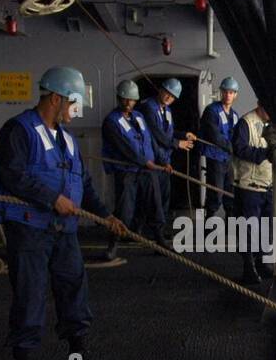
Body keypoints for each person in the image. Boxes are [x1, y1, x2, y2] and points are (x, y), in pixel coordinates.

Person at [0, 66, 125, 360]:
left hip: (64, 231)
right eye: (74, 103)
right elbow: (11, 175)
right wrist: (52, 198)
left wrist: (106, 215)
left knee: (74, 292)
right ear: (57, 97)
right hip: (29, 229)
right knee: (30, 295)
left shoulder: (67, 140)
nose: (75, 112)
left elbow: (84, 184)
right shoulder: (18, 131)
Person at [102, 79, 170, 259]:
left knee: (155, 205)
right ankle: (113, 245)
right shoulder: (111, 121)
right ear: (118, 98)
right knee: (124, 209)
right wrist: (145, 162)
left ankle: (159, 240)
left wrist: (163, 161)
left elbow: (151, 141)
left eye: (132, 100)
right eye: (125, 99)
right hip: (126, 172)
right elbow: (125, 147)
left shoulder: (139, 117)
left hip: (148, 170)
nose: (128, 103)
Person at [137, 78, 196, 220]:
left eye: (173, 96)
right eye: (167, 93)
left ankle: (160, 228)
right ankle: (148, 230)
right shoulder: (148, 108)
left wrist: (183, 134)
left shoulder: (167, 110)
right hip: (152, 160)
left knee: (164, 195)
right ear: (161, 90)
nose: (169, 97)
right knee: (152, 198)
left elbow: (167, 131)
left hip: (164, 159)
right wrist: (177, 143)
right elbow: (155, 134)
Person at [231, 103, 273, 284]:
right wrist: (264, 153)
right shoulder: (245, 123)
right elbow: (239, 148)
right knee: (248, 229)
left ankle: (262, 263)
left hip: (267, 186)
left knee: (266, 227)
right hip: (249, 186)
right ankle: (249, 266)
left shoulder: (271, 125)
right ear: (260, 104)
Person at [198, 76, 240, 215]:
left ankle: (231, 230)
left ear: (235, 95)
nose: (228, 95)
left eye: (231, 92)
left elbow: (236, 136)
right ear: (221, 92)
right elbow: (214, 136)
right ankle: (208, 231)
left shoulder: (234, 115)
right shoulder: (212, 111)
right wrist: (233, 148)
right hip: (215, 158)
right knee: (215, 195)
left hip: (229, 160)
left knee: (230, 195)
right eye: (225, 92)